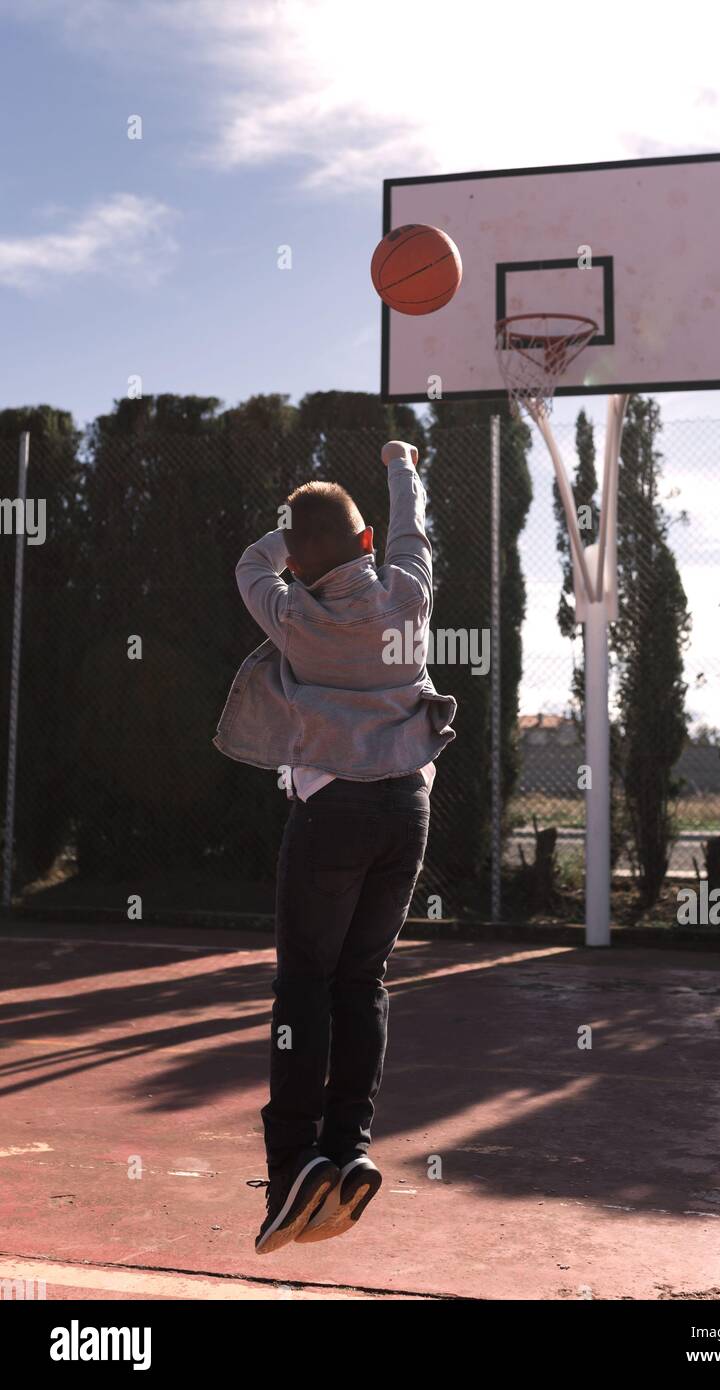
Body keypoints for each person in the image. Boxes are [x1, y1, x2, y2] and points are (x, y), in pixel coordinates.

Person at [213, 440, 456, 1252]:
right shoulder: (409, 598)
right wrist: (398, 465)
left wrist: (296, 534)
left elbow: (254, 561)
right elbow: (411, 527)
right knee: (362, 979)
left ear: (296, 557)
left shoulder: (287, 613)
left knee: (304, 986)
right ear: (364, 546)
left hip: (330, 815)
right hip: (405, 813)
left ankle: (292, 1170)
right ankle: (349, 1149)